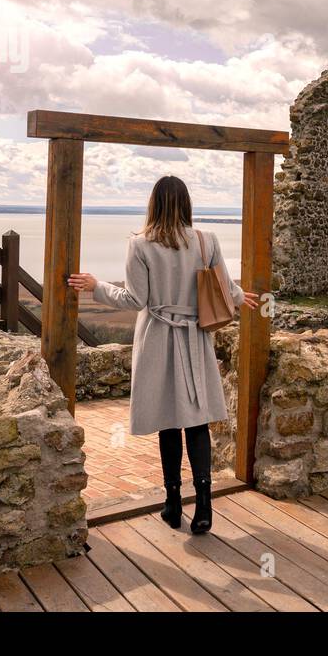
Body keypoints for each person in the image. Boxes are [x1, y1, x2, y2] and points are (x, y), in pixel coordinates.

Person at [67, 175, 257, 534]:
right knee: (197, 421)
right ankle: (204, 507)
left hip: (157, 340)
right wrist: (239, 297)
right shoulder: (206, 240)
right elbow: (225, 288)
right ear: (186, 204)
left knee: (168, 422)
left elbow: (135, 300)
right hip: (195, 338)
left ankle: (172, 503)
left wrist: (97, 287)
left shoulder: (139, 245)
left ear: (153, 203)